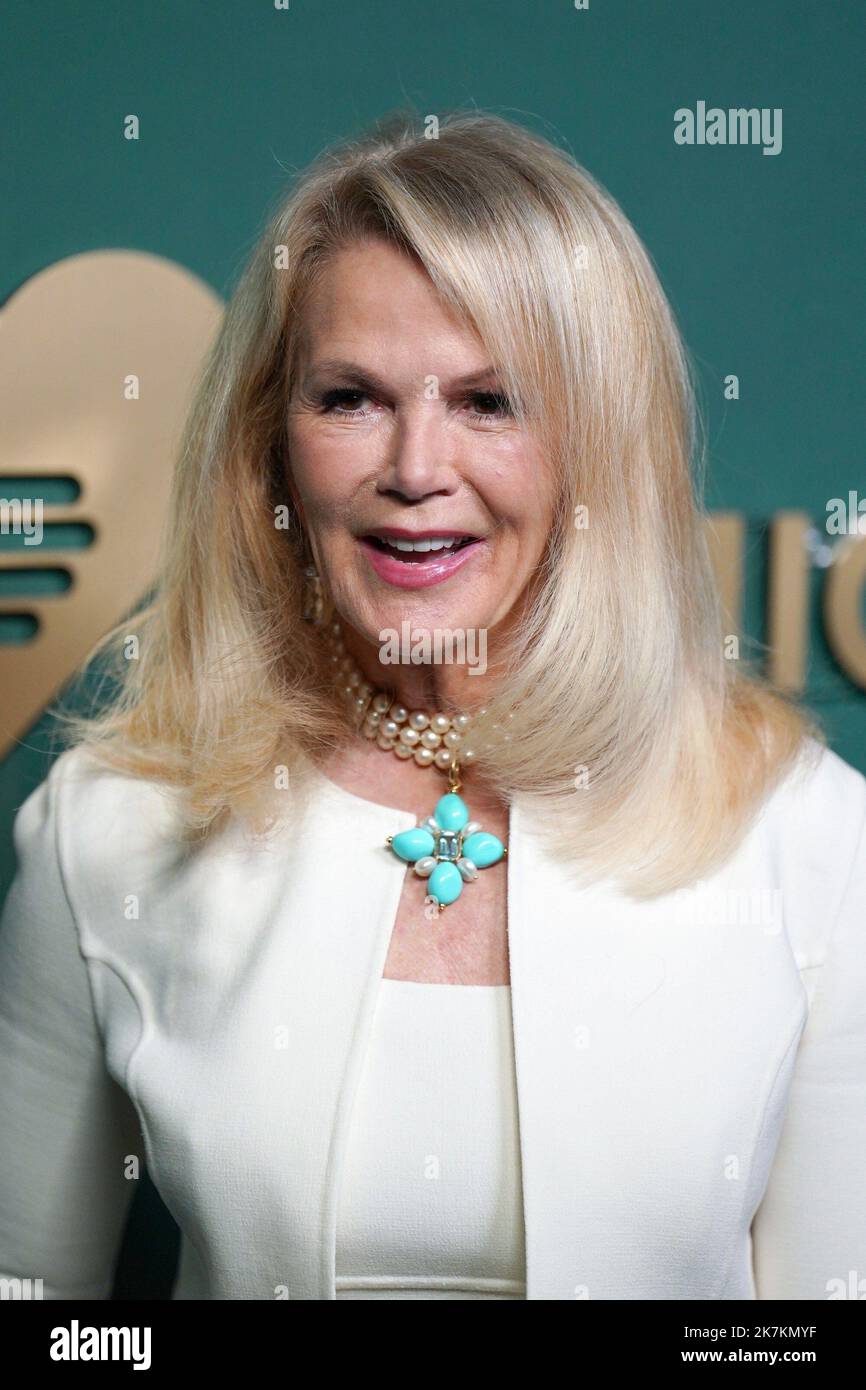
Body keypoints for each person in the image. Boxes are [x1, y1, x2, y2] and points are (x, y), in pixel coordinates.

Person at [1, 111, 864, 1301]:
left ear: (595, 446)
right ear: (268, 448)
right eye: (349, 397)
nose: (414, 468)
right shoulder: (108, 828)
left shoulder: (808, 839)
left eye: (489, 401)